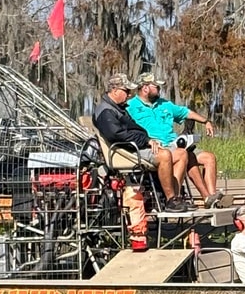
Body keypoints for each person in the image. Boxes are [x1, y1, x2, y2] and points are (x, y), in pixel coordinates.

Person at [91, 73, 190, 212]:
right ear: (115, 90)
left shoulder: (118, 108)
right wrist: (146, 141)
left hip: (135, 146)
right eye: (126, 91)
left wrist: (149, 139)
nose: (129, 95)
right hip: (126, 151)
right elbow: (118, 136)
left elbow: (133, 129)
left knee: (181, 154)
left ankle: (175, 197)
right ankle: (169, 200)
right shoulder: (106, 112)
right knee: (165, 155)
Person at [127, 72, 224, 208]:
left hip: (174, 144)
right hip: (156, 148)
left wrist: (206, 121)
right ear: (145, 88)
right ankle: (177, 198)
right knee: (184, 154)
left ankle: (212, 198)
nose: (160, 89)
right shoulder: (130, 106)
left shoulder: (165, 104)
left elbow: (186, 112)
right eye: (157, 87)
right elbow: (126, 130)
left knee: (209, 158)